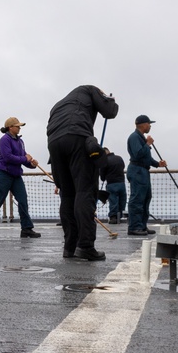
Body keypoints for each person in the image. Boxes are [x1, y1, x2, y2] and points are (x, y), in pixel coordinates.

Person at [46, 86, 119, 260]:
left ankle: (69, 247)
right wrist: (110, 100)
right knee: (85, 191)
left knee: (67, 195)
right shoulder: (90, 89)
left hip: (54, 142)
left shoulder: (59, 104)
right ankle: (85, 246)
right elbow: (110, 112)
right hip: (77, 137)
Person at [127, 114, 166, 236]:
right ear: (143, 125)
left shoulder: (140, 137)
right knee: (137, 199)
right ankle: (134, 227)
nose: (150, 126)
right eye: (149, 124)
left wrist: (157, 164)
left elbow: (146, 157)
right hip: (137, 170)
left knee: (145, 198)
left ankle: (142, 225)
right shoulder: (134, 137)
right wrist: (148, 144)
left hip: (143, 171)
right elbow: (138, 154)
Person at [99, 149, 127, 224]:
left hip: (111, 184)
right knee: (122, 200)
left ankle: (113, 217)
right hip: (121, 183)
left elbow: (102, 177)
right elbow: (123, 167)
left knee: (113, 201)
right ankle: (120, 215)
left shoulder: (104, 161)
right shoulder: (119, 158)